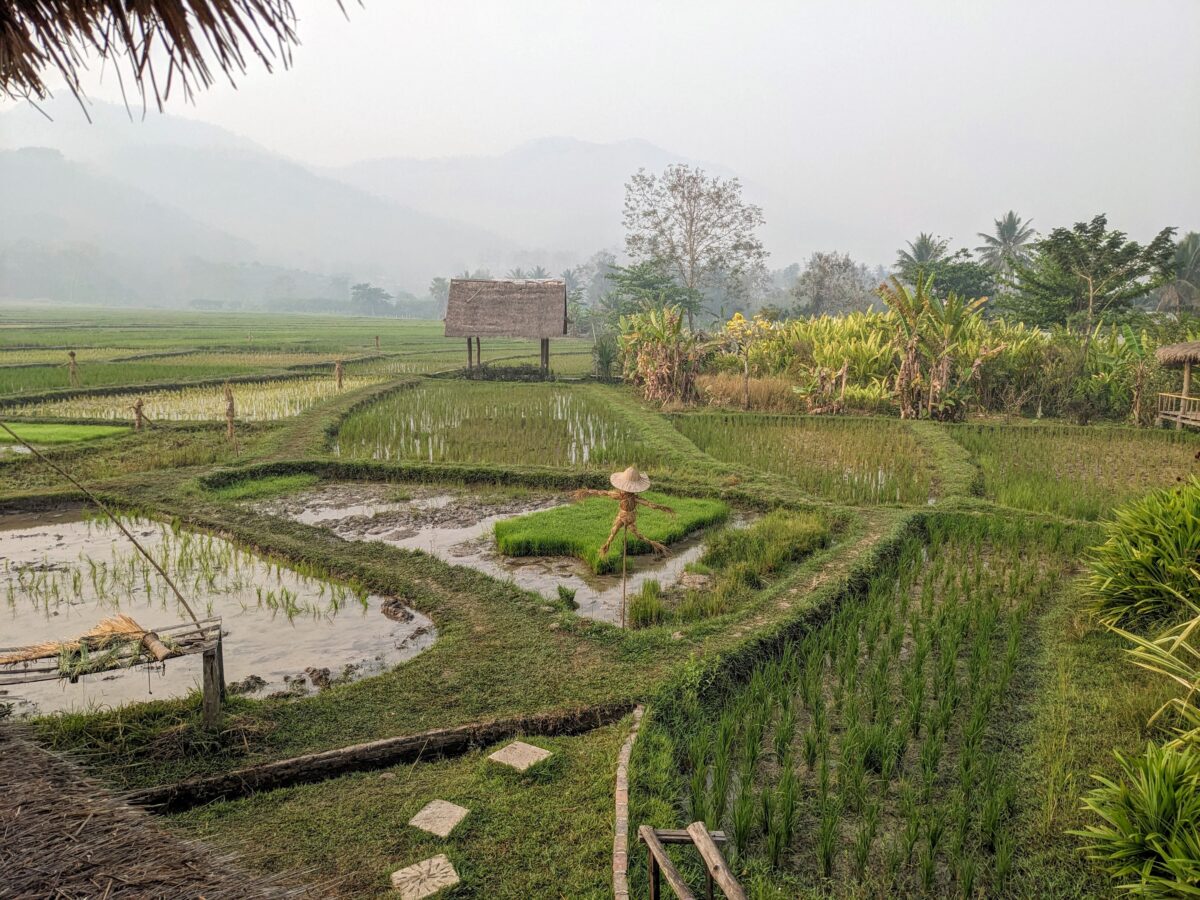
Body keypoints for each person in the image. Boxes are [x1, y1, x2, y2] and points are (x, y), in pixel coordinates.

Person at [574, 465, 675, 555]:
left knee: (620, 533)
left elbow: (604, 493)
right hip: (627, 517)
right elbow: (604, 493)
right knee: (615, 532)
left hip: (626, 517)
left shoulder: (626, 497)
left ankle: (654, 544)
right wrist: (589, 492)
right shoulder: (626, 496)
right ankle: (606, 546)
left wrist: (661, 508)